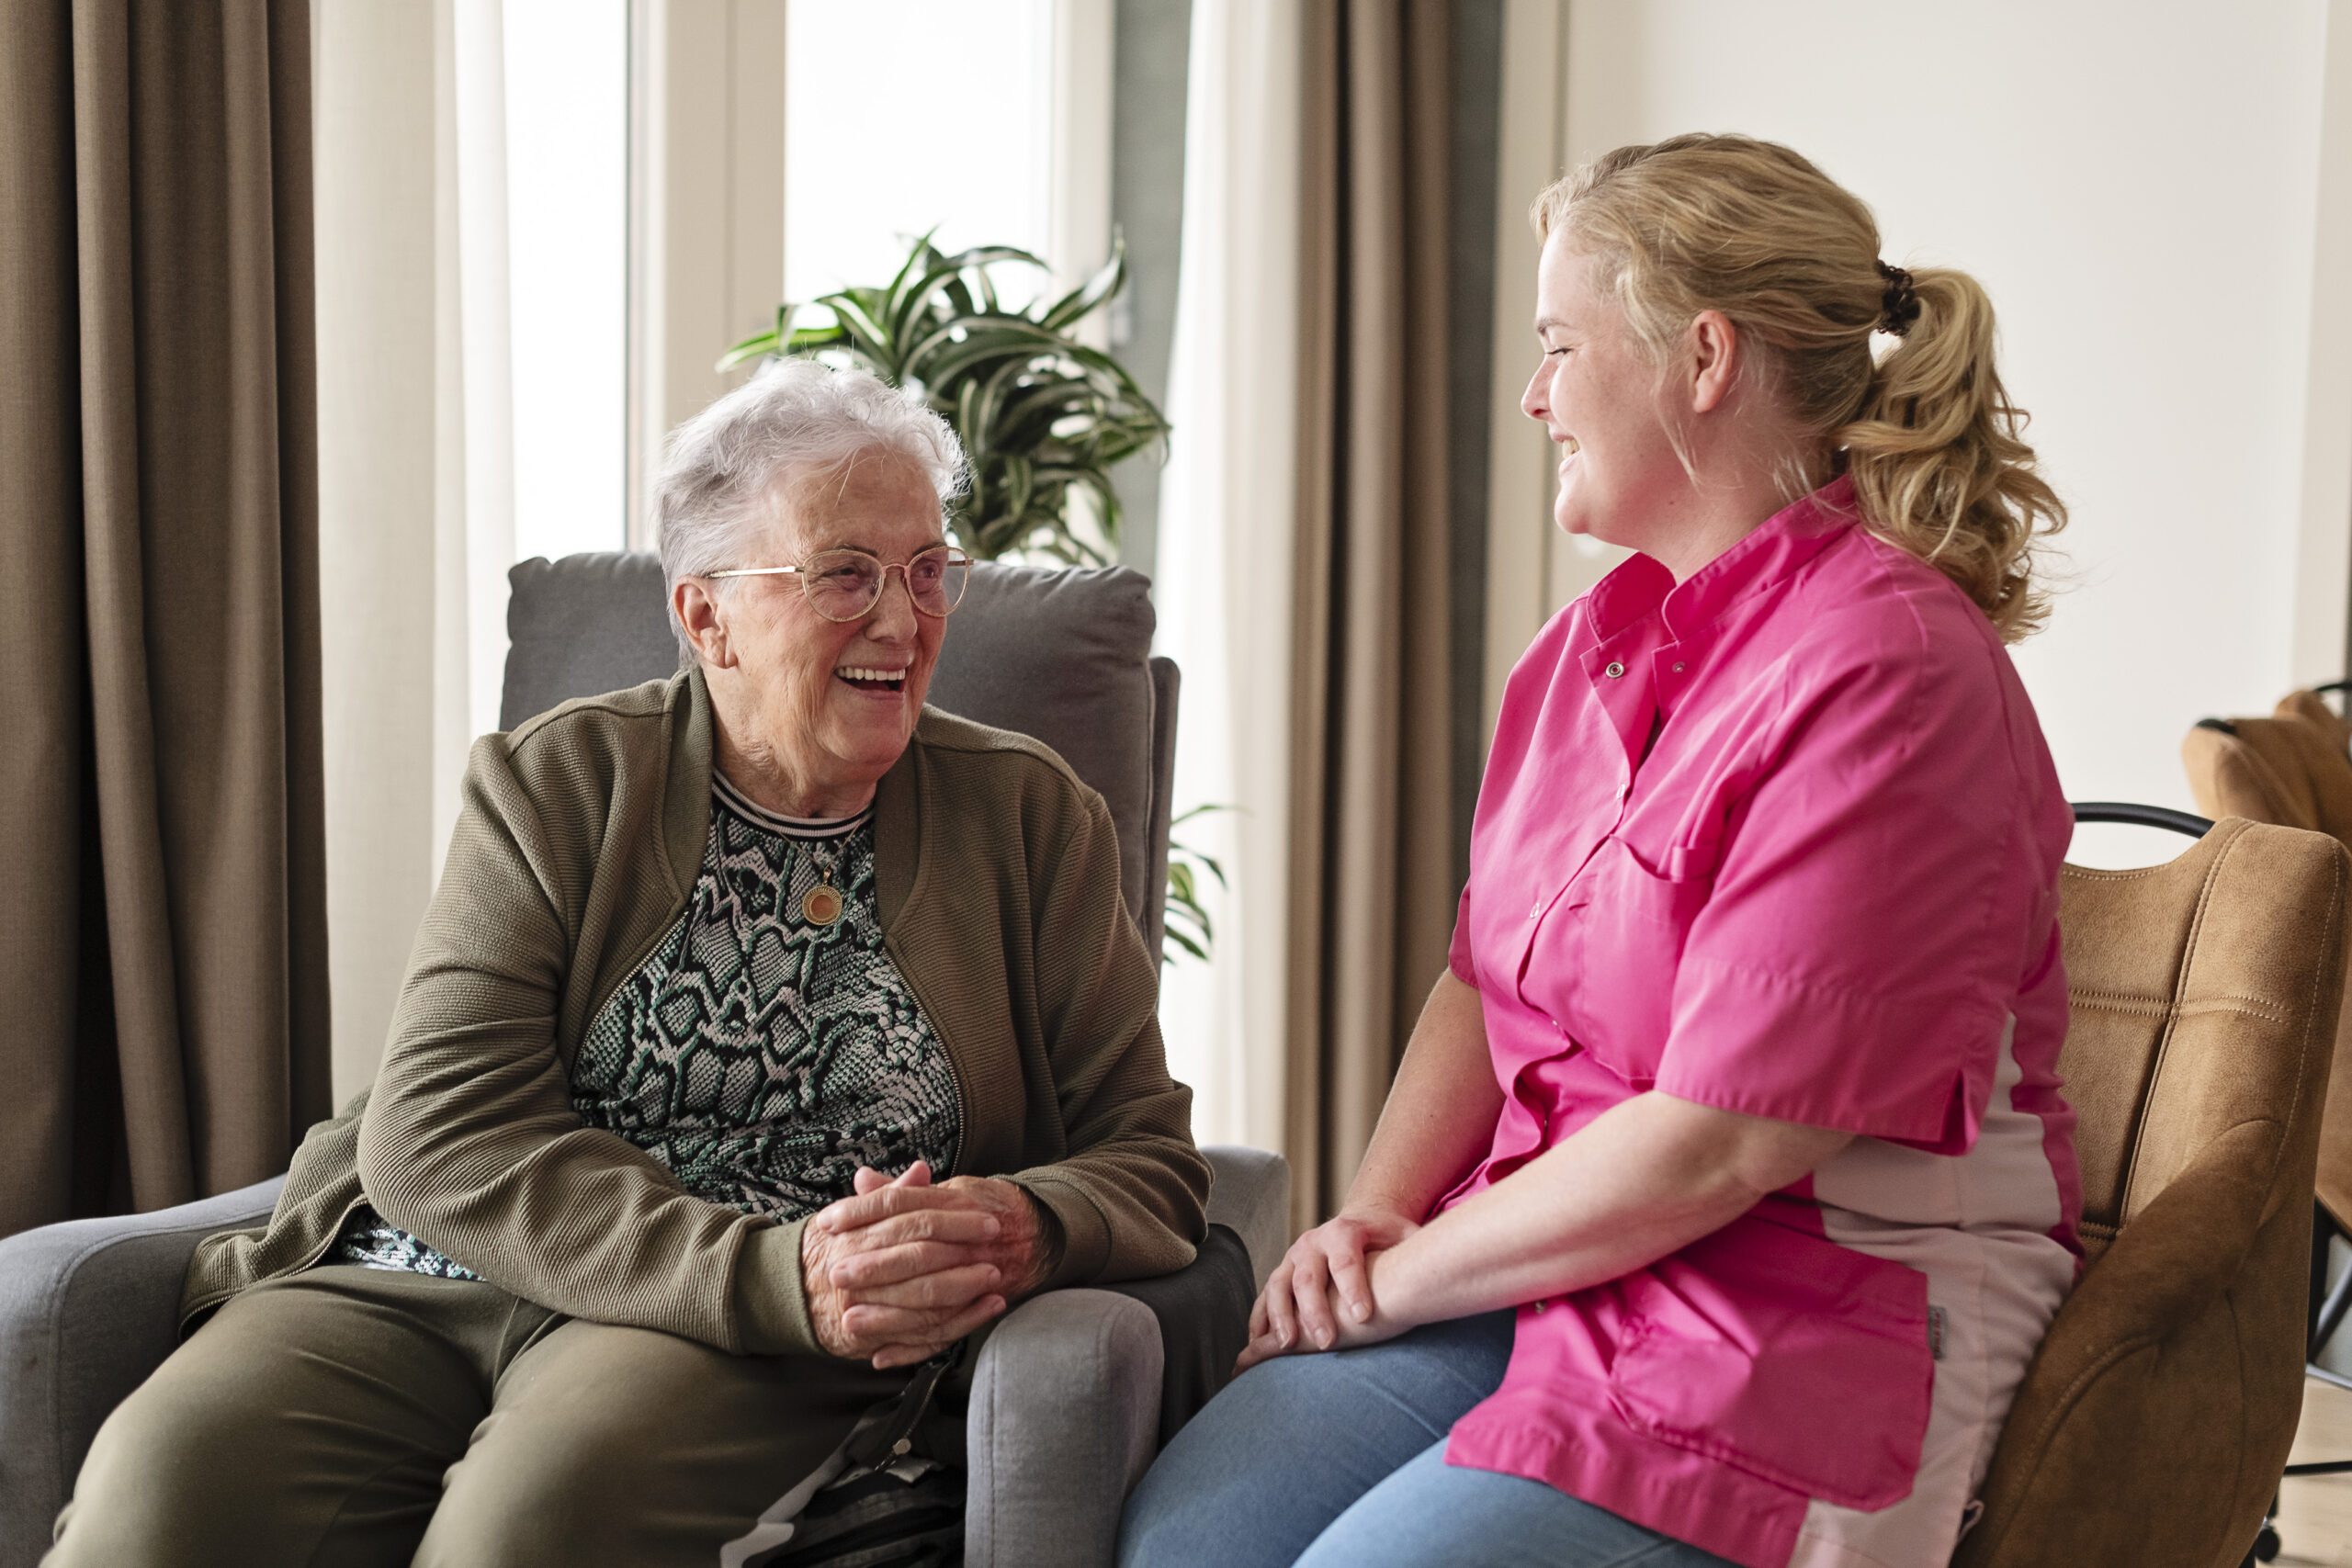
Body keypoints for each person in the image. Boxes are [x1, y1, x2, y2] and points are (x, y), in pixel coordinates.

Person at [48, 360, 1208, 1567]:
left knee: (530, 1529)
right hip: (432, 1281)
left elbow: (1155, 1163)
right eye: (845, 574)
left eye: (927, 571)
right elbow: (435, 1132)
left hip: (743, 1333)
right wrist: (769, 1269)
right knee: (158, 1488)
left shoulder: (1030, 820)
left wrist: (1023, 1223)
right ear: (703, 614)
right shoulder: (556, 784)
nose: (904, 620)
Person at [1120, 132, 2076, 1568]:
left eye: (1561, 346)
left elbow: (1719, 1143)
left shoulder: (1893, 669)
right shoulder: (1585, 651)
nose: (1532, 395)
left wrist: (1388, 1285)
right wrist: (1376, 1216)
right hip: (1540, 1269)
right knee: (1185, 1540)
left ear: (1703, 357)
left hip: (1793, 1320)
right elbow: (1477, 983)